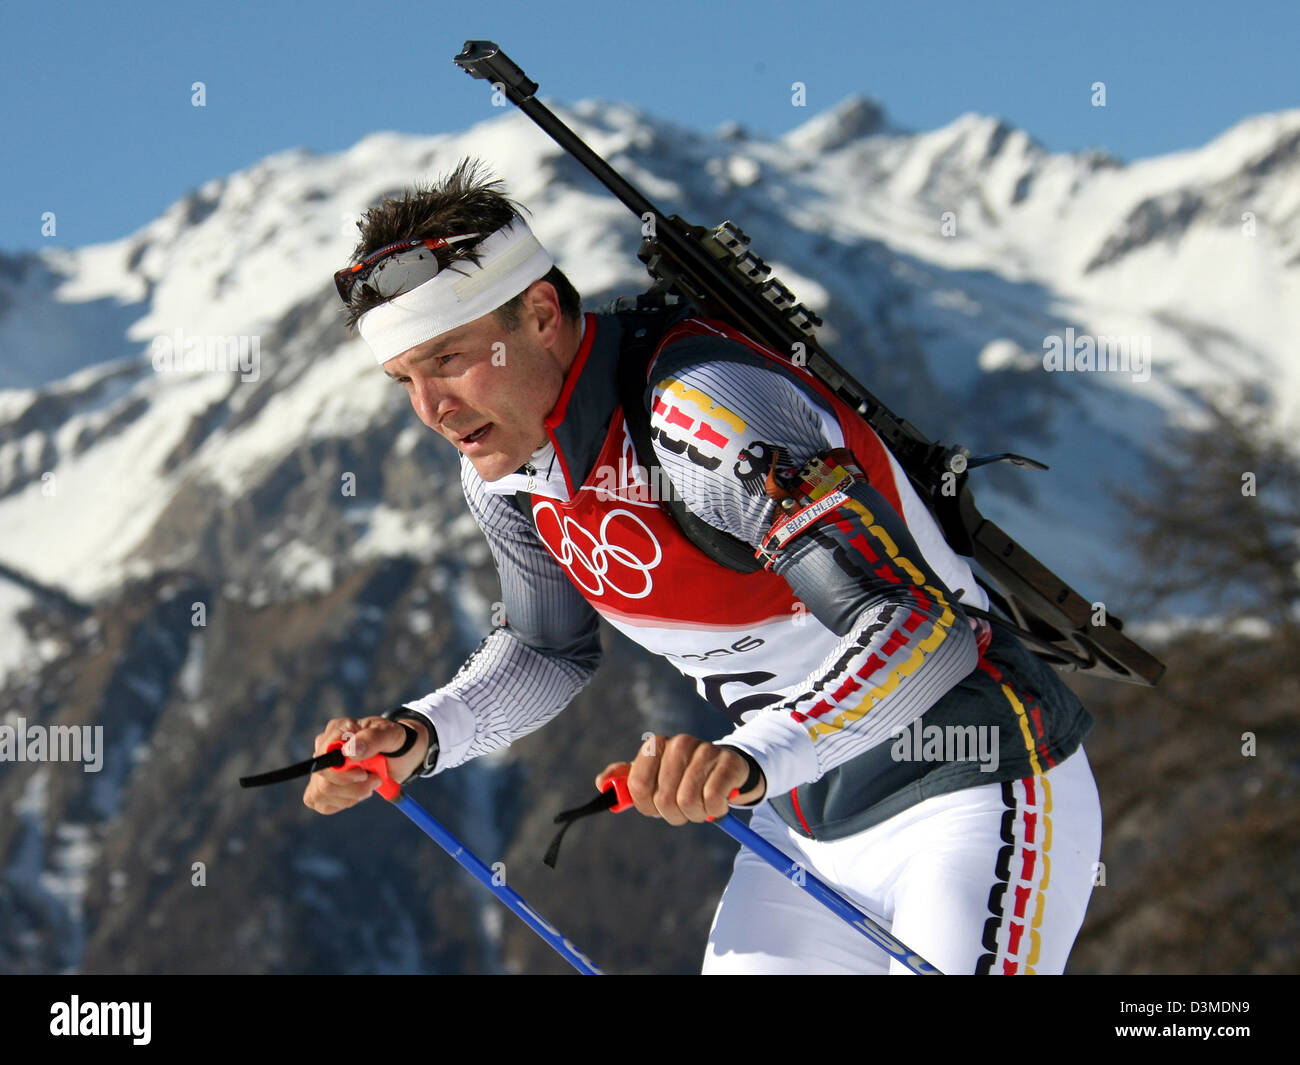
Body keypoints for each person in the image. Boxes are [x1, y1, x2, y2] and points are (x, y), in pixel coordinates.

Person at [305, 158, 1103, 975]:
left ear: (541, 313)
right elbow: (549, 648)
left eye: (447, 360)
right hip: (801, 828)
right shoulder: (505, 475)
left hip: (975, 785)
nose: (431, 411)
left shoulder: (702, 414)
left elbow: (919, 622)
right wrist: (423, 733)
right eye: (405, 378)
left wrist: (755, 753)